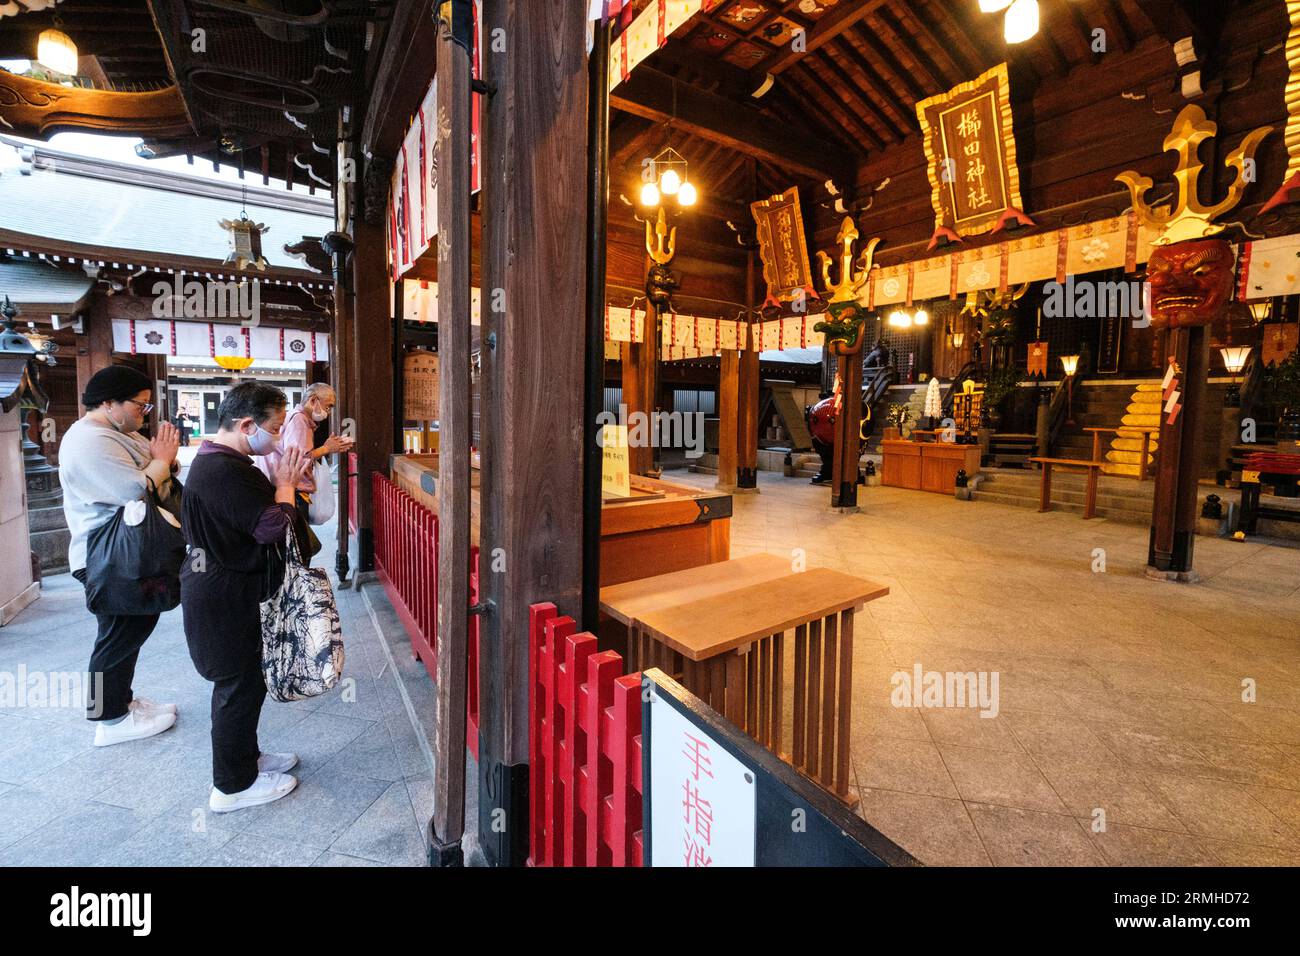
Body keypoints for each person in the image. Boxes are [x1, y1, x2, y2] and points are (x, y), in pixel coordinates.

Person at [180, 382, 313, 812]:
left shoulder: (223, 461)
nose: (277, 439)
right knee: (236, 687)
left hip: (225, 587)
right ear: (246, 424)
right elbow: (272, 526)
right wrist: (285, 486)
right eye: (274, 429)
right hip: (222, 595)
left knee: (248, 682)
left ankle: (247, 759)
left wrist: (278, 484)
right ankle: (232, 786)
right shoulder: (223, 470)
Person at [58, 365, 180, 746]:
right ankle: (108, 719)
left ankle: (120, 703)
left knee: (128, 630)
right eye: (140, 405)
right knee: (117, 636)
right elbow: (132, 488)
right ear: (109, 402)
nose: (145, 414)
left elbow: (157, 469)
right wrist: (161, 460)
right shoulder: (88, 440)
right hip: (106, 554)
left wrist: (162, 461)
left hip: (123, 552)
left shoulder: (113, 432)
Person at [255, 383, 353, 560]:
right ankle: (300, 583)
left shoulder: (294, 416)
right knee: (299, 549)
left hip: (279, 486)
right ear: (313, 400)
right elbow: (297, 460)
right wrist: (326, 449)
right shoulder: (299, 420)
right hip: (292, 490)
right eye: (328, 406)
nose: (328, 412)